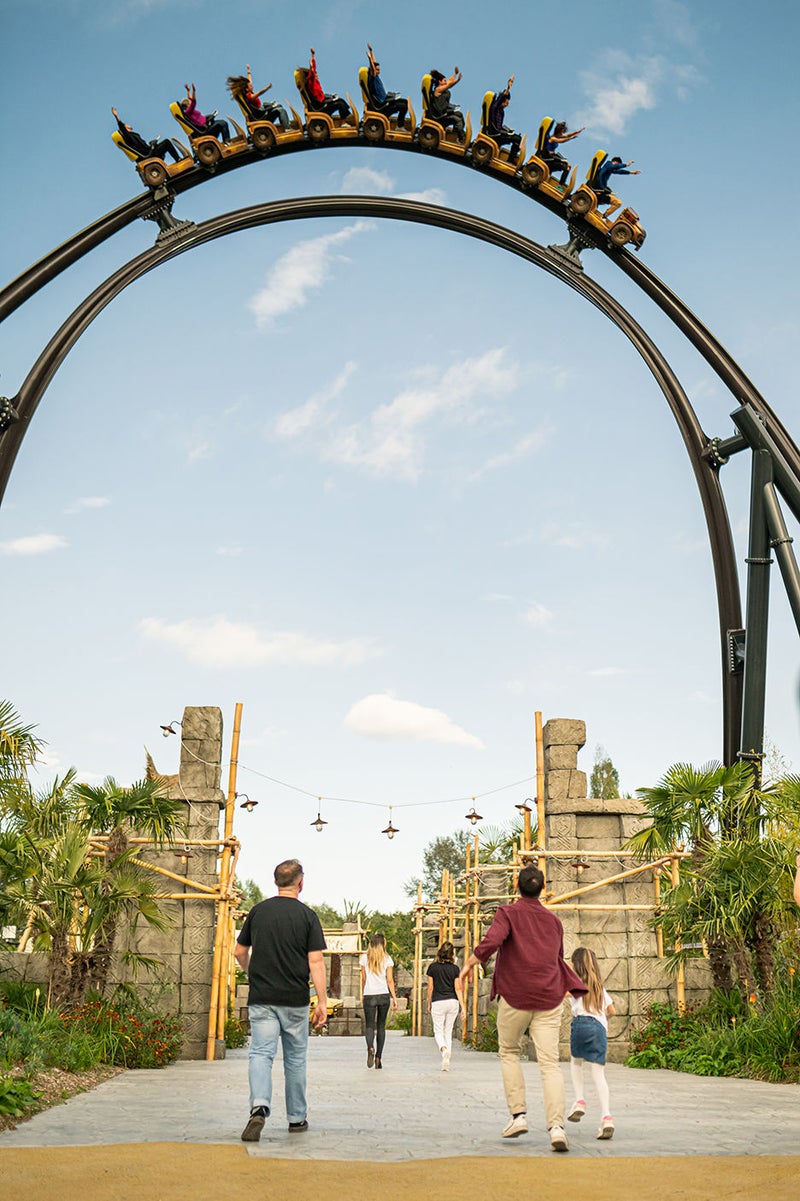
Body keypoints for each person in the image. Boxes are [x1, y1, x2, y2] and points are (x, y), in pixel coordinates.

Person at [459, 864, 587, 1153]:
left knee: (509, 1052)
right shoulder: (554, 922)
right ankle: (556, 1127)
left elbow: (492, 940)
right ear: (543, 889)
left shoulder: (508, 913)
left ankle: (518, 1116)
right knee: (549, 1064)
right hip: (549, 997)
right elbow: (556, 958)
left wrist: (470, 963)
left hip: (515, 995)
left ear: (516, 885)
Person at [234, 858, 328, 1142]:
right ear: (301, 882)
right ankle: (297, 1119)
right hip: (295, 999)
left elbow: (239, 951)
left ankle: (259, 1106)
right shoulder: (308, 916)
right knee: (295, 1059)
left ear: (275, 882)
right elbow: (316, 961)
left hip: (263, 998)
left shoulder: (258, 912)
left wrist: (254, 974)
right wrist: (322, 1001)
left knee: (261, 1054)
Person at [567, 946, 616, 1140]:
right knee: (598, 1073)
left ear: (576, 965)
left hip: (581, 1024)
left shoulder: (575, 985)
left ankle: (579, 1101)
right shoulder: (599, 988)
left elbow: (561, 994)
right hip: (599, 1029)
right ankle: (606, 1117)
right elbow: (612, 1011)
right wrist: (602, 1021)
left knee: (575, 1062)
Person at [426, 941, 466, 1071]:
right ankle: (446, 1061)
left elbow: (430, 988)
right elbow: (458, 988)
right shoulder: (455, 969)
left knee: (438, 1030)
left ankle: (443, 1050)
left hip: (438, 1001)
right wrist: (463, 1007)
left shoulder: (432, 968)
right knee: (448, 1031)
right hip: (452, 1002)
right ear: (452, 954)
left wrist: (429, 1003)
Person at [360, 932, 397, 1069]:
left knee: (369, 1025)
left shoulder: (364, 958)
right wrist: (394, 998)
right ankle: (378, 1058)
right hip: (383, 995)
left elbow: (363, 979)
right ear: (383, 944)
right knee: (381, 1026)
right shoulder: (387, 959)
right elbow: (390, 980)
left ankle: (370, 1047)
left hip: (369, 994)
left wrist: (362, 993)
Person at [111, 107, 182, 162]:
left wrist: (152, 144)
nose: (127, 124)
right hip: (149, 154)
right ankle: (178, 159)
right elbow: (122, 127)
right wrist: (116, 116)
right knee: (166, 142)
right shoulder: (129, 136)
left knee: (161, 145)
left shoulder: (134, 135)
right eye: (125, 124)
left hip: (149, 150)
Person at [366, 43, 408, 129]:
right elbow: (373, 68)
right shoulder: (372, 77)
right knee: (403, 106)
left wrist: (371, 51)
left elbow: (374, 64)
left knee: (405, 102)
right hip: (383, 106)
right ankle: (400, 126)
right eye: (377, 70)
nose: (379, 71)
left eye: (379, 70)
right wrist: (369, 59)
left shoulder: (375, 76)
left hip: (386, 100)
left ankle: (400, 125)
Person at [303, 48, 351, 120]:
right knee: (339, 104)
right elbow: (312, 72)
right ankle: (346, 120)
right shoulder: (311, 83)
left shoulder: (316, 83)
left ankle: (348, 116)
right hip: (321, 107)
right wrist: (311, 66)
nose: (317, 75)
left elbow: (313, 71)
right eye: (315, 74)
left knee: (341, 100)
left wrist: (313, 55)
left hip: (324, 102)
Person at [487, 76, 522, 162]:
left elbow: (499, 126)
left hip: (499, 133)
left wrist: (507, 131)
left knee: (517, 137)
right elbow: (501, 98)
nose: (507, 104)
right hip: (495, 135)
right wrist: (508, 87)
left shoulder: (501, 112)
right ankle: (510, 159)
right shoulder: (495, 107)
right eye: (506, 102)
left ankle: (512, 157)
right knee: (517, 139)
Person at [542, 120, 584, 184]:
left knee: (568, 166)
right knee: (567, 167)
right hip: (549, 158)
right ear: (559, 131)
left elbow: (568, 135)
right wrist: (571, 138)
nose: (563, 133)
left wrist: (578, 131)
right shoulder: (553, 138)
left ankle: (561, 183)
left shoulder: (558, 136)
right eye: (562, 131)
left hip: (553, 157)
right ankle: (561, 184)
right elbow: (561, 141)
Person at [428, 67, 465, 141]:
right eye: (444, 81)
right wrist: (458, 80)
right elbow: (449, 84)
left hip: (445, 113)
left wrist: (455, 74)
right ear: (439, 82)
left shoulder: (442, 88)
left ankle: (456, 131)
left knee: (459, 114)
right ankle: (461, 139)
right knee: (457, 119)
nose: (446, 82)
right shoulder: (438, 90)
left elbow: (449, 81)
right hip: (440, 117)